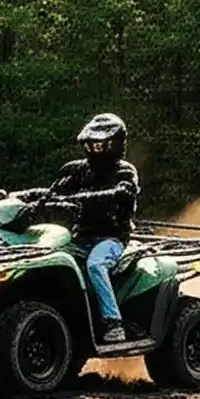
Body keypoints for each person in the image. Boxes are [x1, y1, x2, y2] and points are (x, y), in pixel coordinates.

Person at [51, 113, 140, 344]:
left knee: (96, 264)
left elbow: (122, 193)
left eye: (103, 144)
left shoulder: (125, 172)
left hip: (112, 238)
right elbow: (53, 192)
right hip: (80, 237)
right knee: (50, 258)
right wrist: (20, 198)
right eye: (93, 144)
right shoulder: (78, 170)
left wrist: (83, 198)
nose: (97, 149)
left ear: (117, 143)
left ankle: (113, 322)